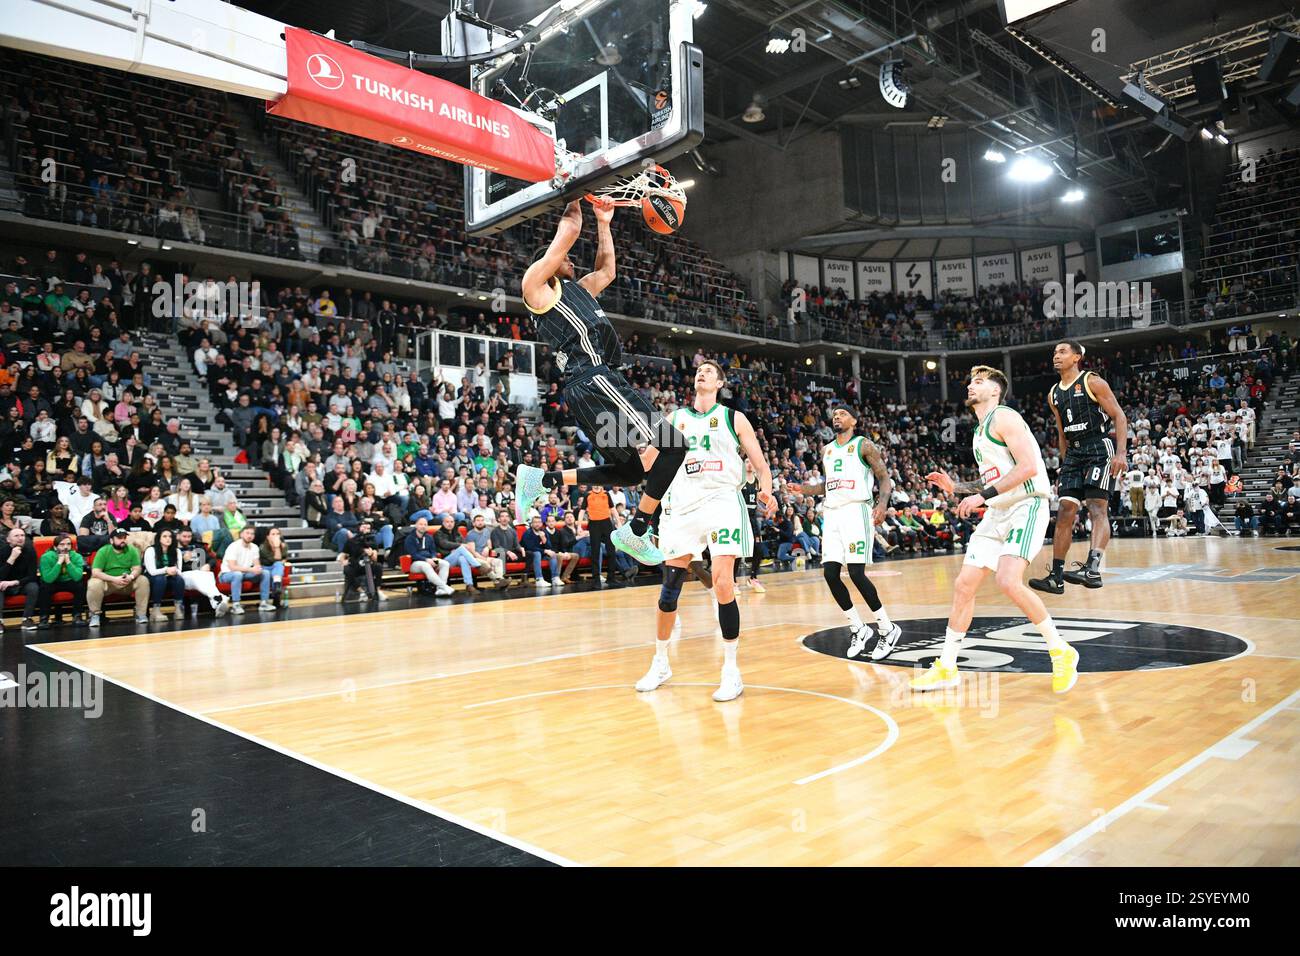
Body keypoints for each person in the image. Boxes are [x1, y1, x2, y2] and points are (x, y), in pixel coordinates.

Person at [512, 199, 688, 565]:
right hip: (595, 381)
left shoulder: (578, 289)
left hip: (592, 391)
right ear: (548, 258)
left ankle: (540, 481)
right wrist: (575, 192)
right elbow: (570, 231)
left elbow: (607, 270)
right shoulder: (537, 288)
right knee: (673, 447)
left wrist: (604, 221)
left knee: (630, 470)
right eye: (566, 258)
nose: (572, 261)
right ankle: (636, 530)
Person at [918, 366, 1078, 694]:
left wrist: (982, 495)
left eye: (979, 382)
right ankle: (947, 666)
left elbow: (1028, 468)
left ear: (995, 391)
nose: (971, 385)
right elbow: (992, 480)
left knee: (1007, 580)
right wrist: (958, 487)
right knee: (964, 586)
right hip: (998, 511)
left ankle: (1060, 649)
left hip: (1026, 505)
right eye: (971, 380)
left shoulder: (1004, 417)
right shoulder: (980, 431)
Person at [632, 361, 776, 702]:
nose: (702, 373)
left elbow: (760, 463)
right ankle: (661, 662)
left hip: (723, 500)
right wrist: (621, 446)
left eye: (710, 371)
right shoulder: (675, 418)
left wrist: (767, 488)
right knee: (669, 590)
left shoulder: (734, 418)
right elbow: (647, 462)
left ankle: (730, 670)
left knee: (723, 581)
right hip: (681, 505)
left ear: (720, 383)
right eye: (700, 370)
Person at [785, 403, 902, 661]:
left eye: (843, 414)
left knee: (857, 574)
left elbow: (884, 477)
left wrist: (882, 504)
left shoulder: (864, 445)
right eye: (835, 414)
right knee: (830, 574)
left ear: (854, 421)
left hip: (856, 511)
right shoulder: (827, 450)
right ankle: (858, 628)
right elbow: (828, 485)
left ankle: (886, 628)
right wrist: (803, 490)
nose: (837, 417)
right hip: (833, 513)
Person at [1030, 342, 1127, 593]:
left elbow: (1119, 415)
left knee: (1096, 507)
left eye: (1062, 352)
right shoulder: (1053, 394)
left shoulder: (1092, 381)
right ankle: (1056, 576)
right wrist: (1065, 464)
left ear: (1076, 357)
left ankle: (1092, 569)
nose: (1056, 356)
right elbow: (1061, 432)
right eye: (1054, 353)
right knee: (1064, 510)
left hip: (1098, 447)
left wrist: (1121, 453)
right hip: (1073, 453)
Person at [87, 527, 150, 627]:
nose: (123, 540)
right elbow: (95, 572)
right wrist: (114, 579)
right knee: (93, 582)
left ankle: (141, 614)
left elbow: (137, 568)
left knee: (143, 580)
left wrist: (131, 576)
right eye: (119, 538)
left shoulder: (132, 550)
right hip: (109, 583)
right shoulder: (103, 551)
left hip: (127, 582)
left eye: (124, 537)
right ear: (111, 540)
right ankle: (95, 615)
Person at [175, 527, 230, 616]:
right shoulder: (173, 548)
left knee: (208, 574)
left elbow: (212, 559)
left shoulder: (197, 547)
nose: (187, 539)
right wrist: (182, 559)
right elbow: (172, 565)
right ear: (178, 536)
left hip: (201, 575)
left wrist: (208, 565)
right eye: (184, 536)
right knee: (198, 574)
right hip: (184, 576)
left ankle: (217, 602)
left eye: (189, 536)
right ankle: (220, 598)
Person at [37, 532, 87, 628]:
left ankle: (77, 616)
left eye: (68, 544)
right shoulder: (46, 557)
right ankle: (44, 618)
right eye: (62, 544)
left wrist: (68, 562)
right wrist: (59, 562)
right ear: (55, 547)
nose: (65, 547)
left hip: (69, 581)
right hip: (53, 582)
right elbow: (48, 579)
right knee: (44, 587)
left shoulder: (76, 556)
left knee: (80, 585)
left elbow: (77, 577)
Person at [220, 525, 274, 613]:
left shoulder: (254, 547)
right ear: (241, 534)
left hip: (244, 573)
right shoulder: (234, 546)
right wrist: (251, 570)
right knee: (238, 574)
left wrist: (258, 569)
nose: (250, 536)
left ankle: (264, 603)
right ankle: (235, 605)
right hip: (227, 574)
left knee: (265, 573)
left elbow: (257, 565)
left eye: (252, 534)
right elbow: (232, 567)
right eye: (247, 533)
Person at [0, 526, 41, 631]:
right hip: (3, 585)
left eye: (22, 535)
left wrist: (14, 582)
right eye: (16, 536)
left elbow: (32, 576)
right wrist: (11, 558)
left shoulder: (30, 551)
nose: (20, 538)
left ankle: (27, 619)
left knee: (33, 587)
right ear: (8, 540)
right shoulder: (2, 551)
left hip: (20, 584)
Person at [403, 517, 454, 597]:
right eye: (421, 524)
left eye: (425, 524)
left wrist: (433, 557)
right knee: (426, 565)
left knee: (445, 563)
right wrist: (426, 560)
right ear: (416, 525)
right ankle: (444, 587)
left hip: (429, 559)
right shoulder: (410, 538)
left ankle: (440, 590)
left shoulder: (429, 537)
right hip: (416, 563)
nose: (423, 526)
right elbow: (413, 554)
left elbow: (433, 550)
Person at [145, 527, 186, 622]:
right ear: (158, 538)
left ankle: (178, 608)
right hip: (152, 578)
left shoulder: (177, 551)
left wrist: (174, 571)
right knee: (160, 579)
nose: (168, 539)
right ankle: (156, 610)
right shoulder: (151, 550)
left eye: (170, 536)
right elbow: (152, 571)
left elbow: (179, 570)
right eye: (164, 536)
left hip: (169, 576)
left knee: (179, 579)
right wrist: (166, 569)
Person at [435, 513, 485, 590]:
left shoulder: (456, 532)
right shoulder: (438, 533)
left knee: (463, 559)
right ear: (443, 523)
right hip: (445, 560)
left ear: (454, 523)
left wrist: (457, 549)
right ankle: (477, 565)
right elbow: (444, 544)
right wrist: (458, 547)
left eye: (452, 522)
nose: (450, 524)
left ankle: (469, 585)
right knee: (461, 548)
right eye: (447, 522)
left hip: (457, 558)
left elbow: (465, 543)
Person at [341, 519, 387, 603]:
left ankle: (378, 591)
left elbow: (375, 558)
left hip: (368, 564)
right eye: (364, 527)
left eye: (368, 528)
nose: (366, 529)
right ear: (359, 528)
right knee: (347, 569)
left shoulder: (372, 541)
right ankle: (361, 592)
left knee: (378, 566)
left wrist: (371, 554)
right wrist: (343, 561)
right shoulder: (351, 541)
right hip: (356, 565)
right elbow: (343, 555)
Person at [521, 515, 562, 588]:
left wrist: (543, 539)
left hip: (541, 553)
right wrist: (545, 551)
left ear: (541, 524)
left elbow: (549, 547)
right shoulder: (528, 533)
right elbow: (530, 547)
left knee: (552, 554)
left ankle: (555, 578)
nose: (537, 524)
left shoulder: (543, 532)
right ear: (531, 524)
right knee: (537, 553)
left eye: (539, 522)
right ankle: (539, 579)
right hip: (528, 555)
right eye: (535, 522)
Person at [259, 527, 290, 607]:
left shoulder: (284, 546)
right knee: (277, 567)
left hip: (276, 569)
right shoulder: (262, 547)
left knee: (278, 567)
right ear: (268, 537)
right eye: (273, 534)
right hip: (265, 568)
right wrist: (276, 547)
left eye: (278, 534)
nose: (276, 536)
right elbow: (276, 559)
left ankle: (277, 586)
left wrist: (282, 561)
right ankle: (276, 598)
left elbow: (285, 558)